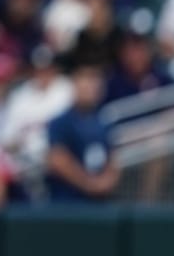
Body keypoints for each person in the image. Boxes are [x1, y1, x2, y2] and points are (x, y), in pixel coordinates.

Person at [43, 65, 118, 202]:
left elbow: (112, 157)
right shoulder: (60, 122)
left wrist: (106, 181)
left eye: (95, 81)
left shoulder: (104, 121)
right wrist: (89, 184)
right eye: (86, 81)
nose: (91, 87)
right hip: (68, 203)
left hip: (100, 203)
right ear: (75, 85)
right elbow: (57, 159)